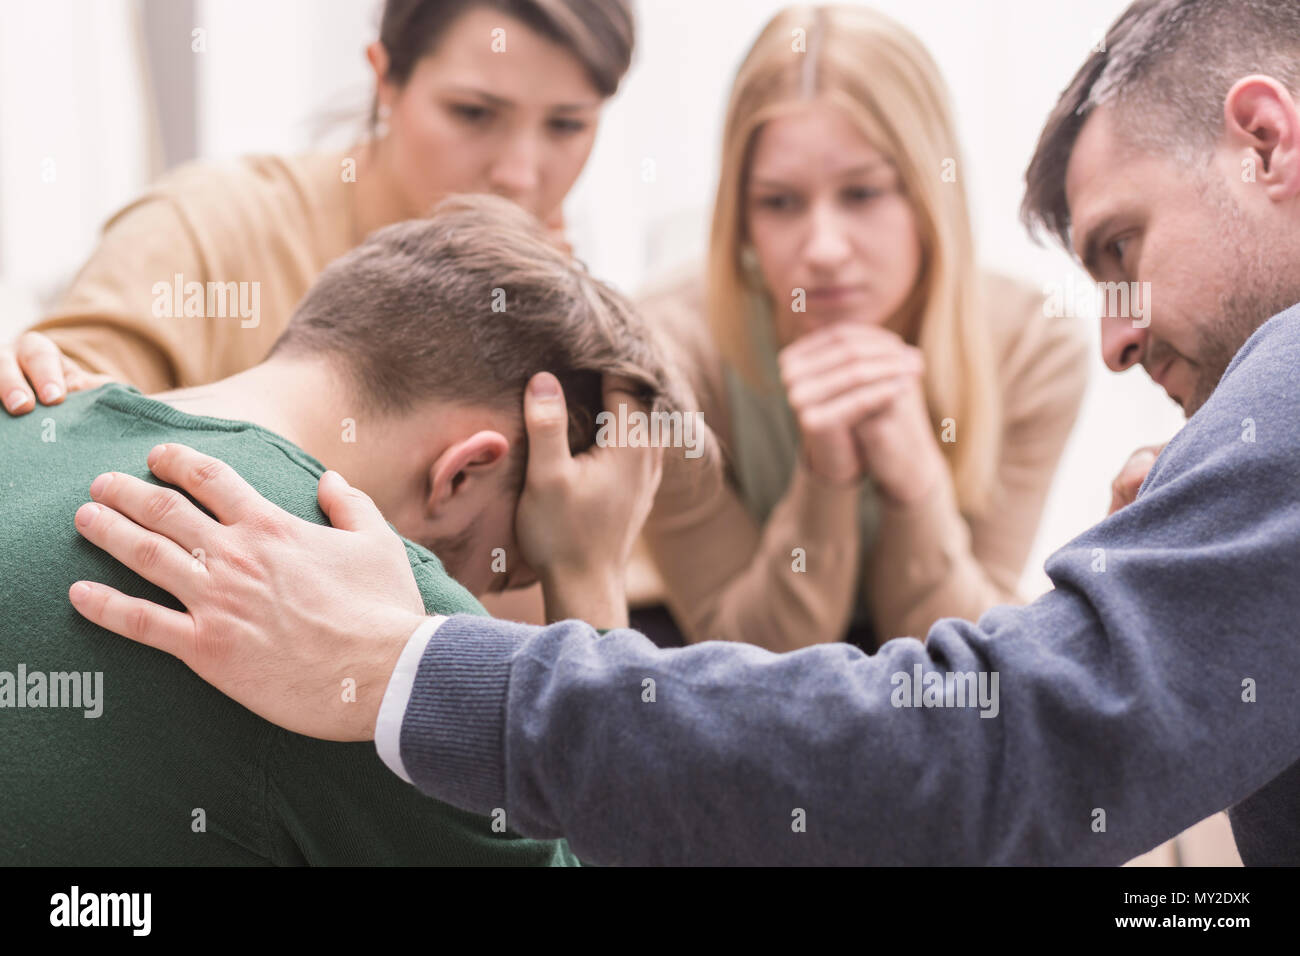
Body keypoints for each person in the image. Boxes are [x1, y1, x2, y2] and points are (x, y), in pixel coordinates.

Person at [64, 0, 1300, 865]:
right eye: (777, 202)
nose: (1114, 340)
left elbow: (1012, 735)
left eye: (1121, 251)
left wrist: (408, 663)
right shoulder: (656, 359)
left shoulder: (1056, 351)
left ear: (1265, 140)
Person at [0, 194, 695, 864]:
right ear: (461, 475)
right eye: (509, 570)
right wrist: (589, 575)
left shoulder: (27, 411)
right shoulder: (366, 621)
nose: (479, 597)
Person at [0, 0, 635, 626]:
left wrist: (580, 562)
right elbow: (59, 435)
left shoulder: (579, 339)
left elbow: (502, 638)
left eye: (567, 125)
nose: (519, 174)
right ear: (384, 77)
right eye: (472, 113)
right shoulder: (206, 228)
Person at [633, 5, 1087, 651]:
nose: (823, 248)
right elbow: (746, 660)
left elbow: (967, 665)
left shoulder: (1032, 346)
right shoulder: (663, 355)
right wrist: (825, 478)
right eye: (779, 202)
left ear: (931, 193)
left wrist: (917, 486)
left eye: (863, 193)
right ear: (739, 216)